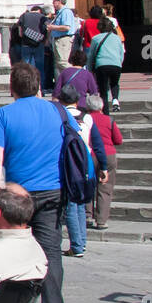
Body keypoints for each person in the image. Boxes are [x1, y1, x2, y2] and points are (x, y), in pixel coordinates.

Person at [0, 63, 107, 303]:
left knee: (12, 253)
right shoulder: (57, 111)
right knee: (51, 253)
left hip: (18, 194)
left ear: (12, 87)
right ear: (39, 85)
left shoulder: (3, 115)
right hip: (54, 191)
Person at [57, 85, 107, 259]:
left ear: (60, 100)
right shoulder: (87, 118)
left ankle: (76, 245)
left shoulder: (59, 116)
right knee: (80, 202)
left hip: (67, 163)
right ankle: (81, 242)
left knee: (71, 203)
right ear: (78, 100)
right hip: (86, 162)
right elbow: (98, 145)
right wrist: (104, 167)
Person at [86, 94, 123, 231]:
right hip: (108, 155)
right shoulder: (109, 120)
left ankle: (86, 216)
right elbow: (118, 140)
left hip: (90, 155)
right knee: (105, 188)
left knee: (88, 185)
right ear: (101, 106)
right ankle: (101, 220)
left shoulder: (85, 120)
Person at [89, 16, 124, 112]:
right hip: (116, 64)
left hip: (102, 65)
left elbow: (91, 55)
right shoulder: (117, 38)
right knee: (115, 83)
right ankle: (115, 100)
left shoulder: (95, 38)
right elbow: (121, 53)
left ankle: (106, 113)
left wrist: (89, 69)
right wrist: (119, 63)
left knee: (103, 90)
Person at [16, 4, 48, 92]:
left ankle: (27, 88)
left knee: (26, 67)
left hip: (26, 45)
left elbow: (20, 33)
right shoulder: (42, 17)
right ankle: (40, 89)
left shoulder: (23, 16)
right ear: (39, 11)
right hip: (39, 44)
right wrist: (45, 41)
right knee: (40, 67)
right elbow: (47, 30)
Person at [49, 0, 79, 76]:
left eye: (54, 0)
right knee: (58, 63)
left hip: (63, 39)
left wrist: (53, 27)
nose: (53, 2)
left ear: (59, 1)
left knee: (62, 62)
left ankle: (77, 75)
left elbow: (67, 27)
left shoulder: (66, 12)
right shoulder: (60, 12)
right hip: (58, 39)